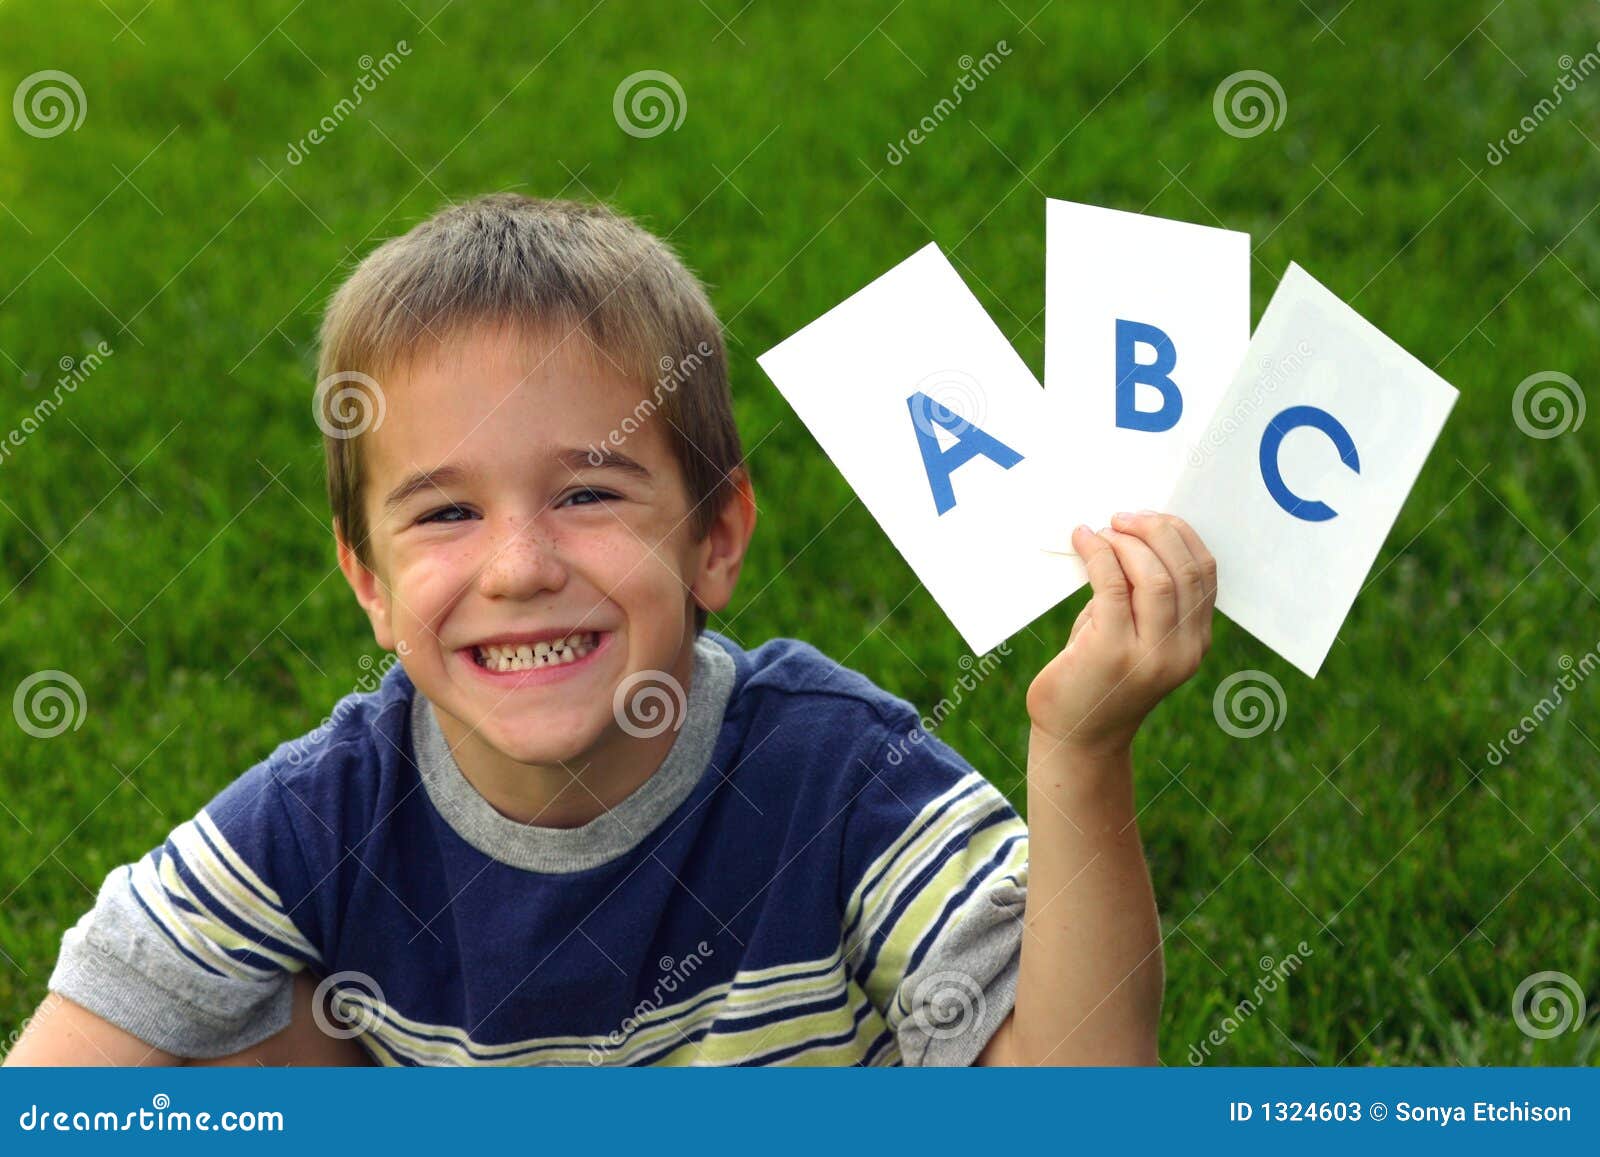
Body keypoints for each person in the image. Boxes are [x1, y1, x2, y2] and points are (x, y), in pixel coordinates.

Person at [4, 194, 1215, 1066]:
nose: (520, 566)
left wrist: (1077, 750)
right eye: (444, 511)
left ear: (716, 538)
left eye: (588, 493)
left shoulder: (839, 775)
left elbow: (1080, 1099)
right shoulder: (328, 810)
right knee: (256, 1042)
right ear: (366, 581)